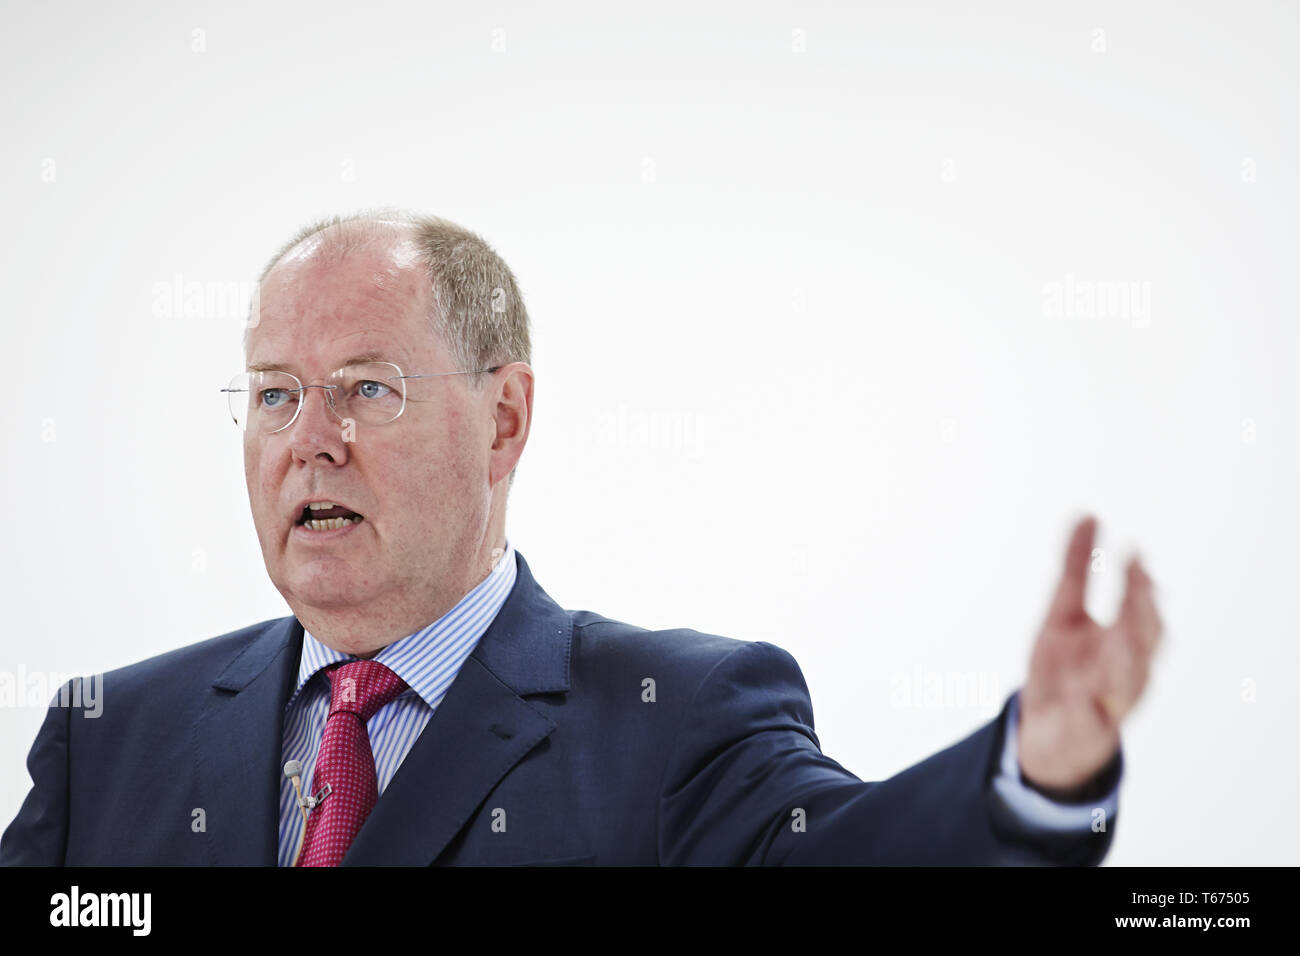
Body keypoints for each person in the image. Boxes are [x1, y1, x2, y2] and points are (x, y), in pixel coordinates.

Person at [0, 209, 1163, 866]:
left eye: (367, 388)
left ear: (502, 419)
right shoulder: (111, 737)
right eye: (273, 394)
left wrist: (1031, 775)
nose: (312, 440)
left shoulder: (677, 721)